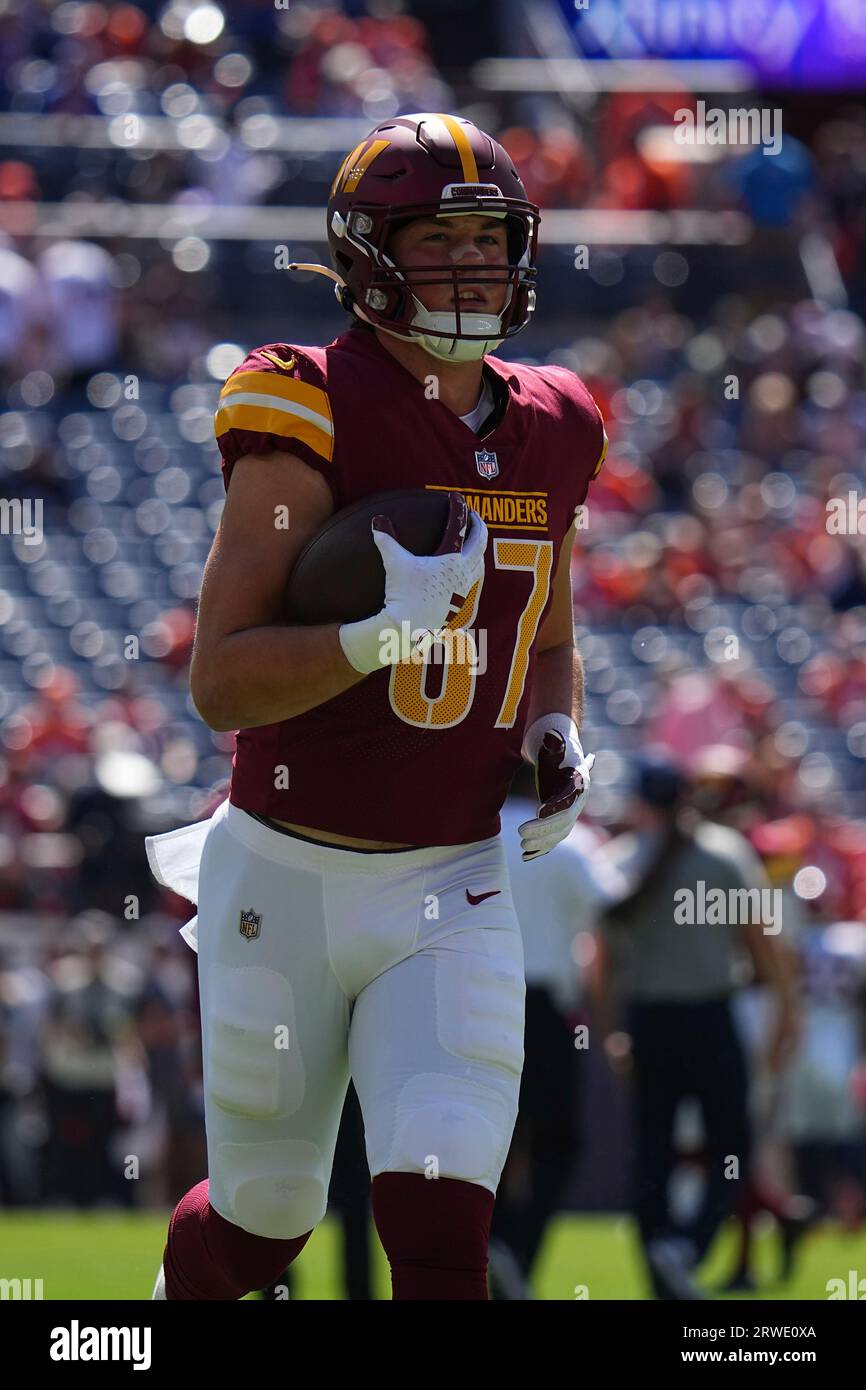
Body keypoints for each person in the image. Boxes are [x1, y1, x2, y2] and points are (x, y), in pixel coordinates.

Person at [144, 112, 607, 1301]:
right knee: (265, 1223)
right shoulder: (300, 399)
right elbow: (222, 680)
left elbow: (543, 632)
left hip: (453, 881)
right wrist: (373, 637)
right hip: (284, 874)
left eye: (490, 241)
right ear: (368, 252)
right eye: (442, 241)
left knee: (443, 1232)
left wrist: (553, 729)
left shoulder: (555, 423)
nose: (474, 267)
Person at [595, 753, 800, 1300]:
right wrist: (786, 1016)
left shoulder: (620, 860)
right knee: (732, 1146)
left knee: (653, 1153)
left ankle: (661, 1266)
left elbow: (600, 967)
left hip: (648, 1023)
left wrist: (611, 1031)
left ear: (641, 802)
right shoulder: (726, 855)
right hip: (710, 1020)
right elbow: (765, 948)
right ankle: (686, 1247)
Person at [488, 760, 623, 1298]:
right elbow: (613, 909)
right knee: (558, 1140)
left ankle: (492, 1247)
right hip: (543, 1007)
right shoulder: (570, 843)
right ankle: (515, 1248)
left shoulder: (469, 837)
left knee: (484, 1137)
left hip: (474, 995)